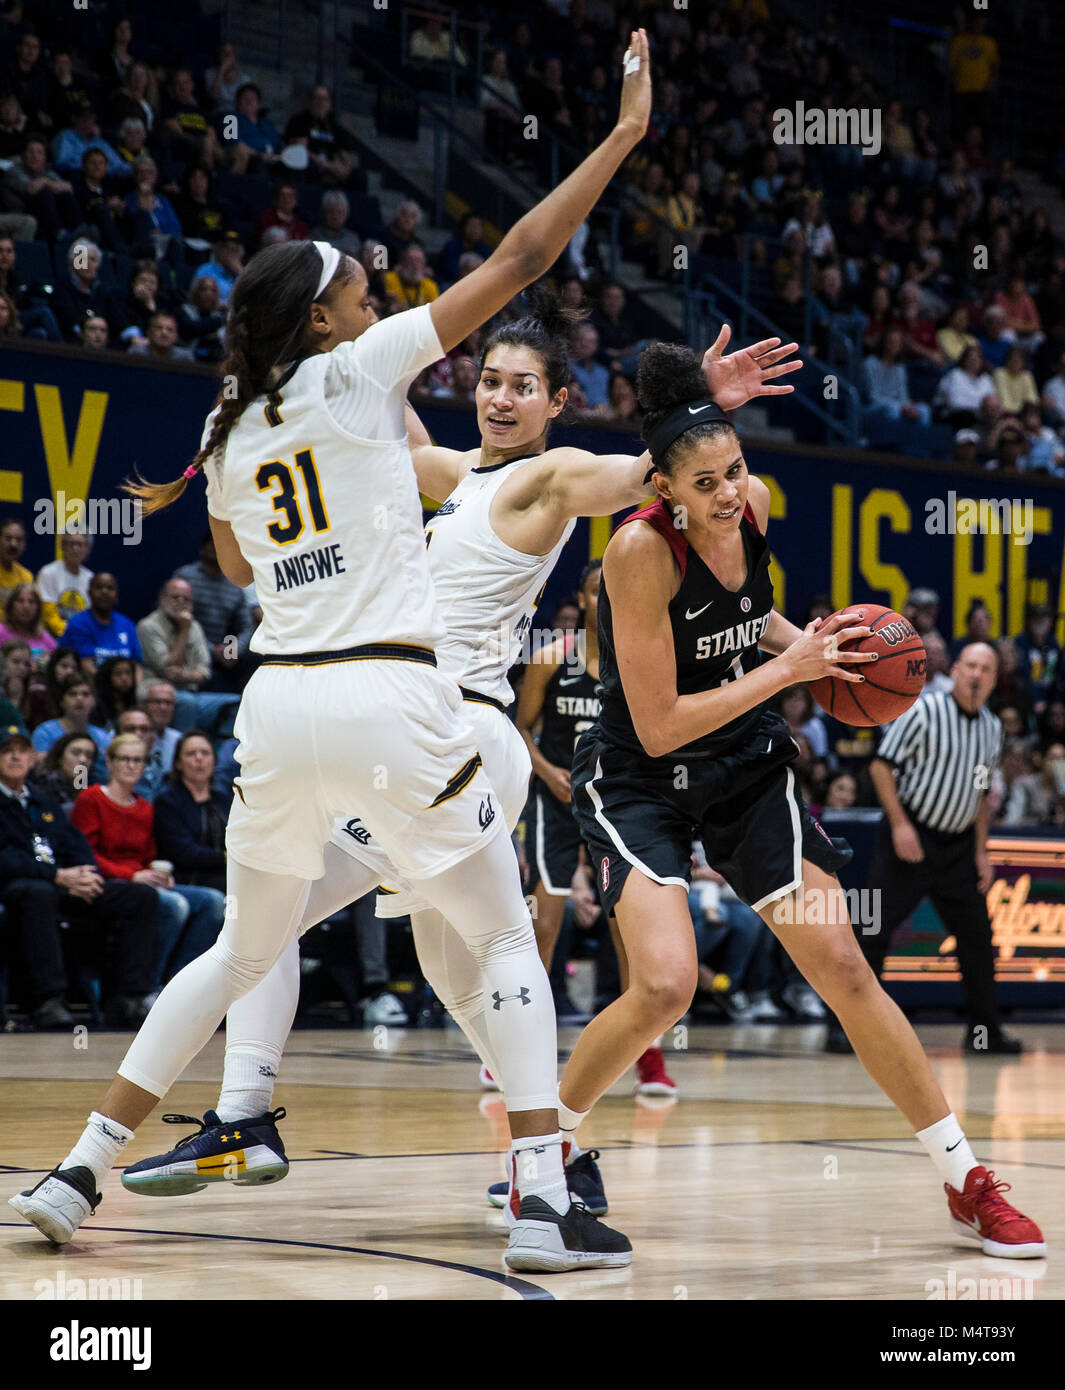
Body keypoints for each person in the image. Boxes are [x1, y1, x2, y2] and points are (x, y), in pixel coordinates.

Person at [12, 30, 655, 1272]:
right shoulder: (360, 370)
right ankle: (537, 1199)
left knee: (243, 949)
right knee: (506, 938)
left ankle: (83, 1163)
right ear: (324, 317)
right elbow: (523, 254)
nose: (382, 295)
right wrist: (622, 136)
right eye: (363, 287)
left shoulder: (231, 418)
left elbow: (241, 568)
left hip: (274, 710)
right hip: (392, 699)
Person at [120, 291, 804, 1212]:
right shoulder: (459, 476)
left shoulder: (547, 476)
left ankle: (239, 1113)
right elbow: (384, 429)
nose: (500, 397)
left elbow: (640, 478)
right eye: (487, 379)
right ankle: (557, 1152)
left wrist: (693, 414)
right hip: (417, 735)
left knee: (270, 919)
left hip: (456, 734)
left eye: (524, 386)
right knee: (458, 979)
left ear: (557, 403)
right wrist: (352, 338)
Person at [528, 341, 1041, 1258]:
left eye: (736, 469)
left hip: (743, 763)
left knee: (843, 965)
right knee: (664, 987)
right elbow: (656, 726)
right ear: (665, 490)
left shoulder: (754, 506)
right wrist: (791, 672)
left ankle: (965, 1179)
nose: (729, 492)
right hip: (642, 771)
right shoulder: (636, 555)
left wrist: (805, 644)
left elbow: (744, 618)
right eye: (706, 481)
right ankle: (546, 1155)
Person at [829, 645, 1021, 1055]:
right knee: (873, 928)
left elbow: (983, 792)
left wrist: (981, 851)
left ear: (994, 679)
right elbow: (881, 765)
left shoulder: (991, 727)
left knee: (977, 941)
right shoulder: (923, 711)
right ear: (954, 669)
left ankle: (984, 1034)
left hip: (958, 847)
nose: (976, 674)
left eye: (986, 669)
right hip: (910, 836)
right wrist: (900, 825)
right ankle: (847, 1027)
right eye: (970, 665)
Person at [0, 726, 157, 1029]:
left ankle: (130, 996)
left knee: (140, 896)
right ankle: (49, 999)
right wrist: (57, 875)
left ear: (33, 759)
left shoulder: (43, 802)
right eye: (7, 751)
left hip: (62, 883)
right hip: (17, 887)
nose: (16, 757)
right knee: (37, 894)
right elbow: (5, 859)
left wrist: (86, 874)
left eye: (21, 751)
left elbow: (76, 843)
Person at [71, 734, 225, 993]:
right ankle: (147, 989)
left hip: (142, 881)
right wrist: (133, 875)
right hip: (107, 883)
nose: (131, 765)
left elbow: (149, 856)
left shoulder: (144, 807)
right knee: (173, 905)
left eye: (138, 760)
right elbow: (85, 856)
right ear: (109, 762)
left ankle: (180, 988)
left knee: (212, 901)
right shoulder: (91, 798)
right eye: (125, 759)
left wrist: (161, 875)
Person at [152, 731, 228, 891]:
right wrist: (227, 858)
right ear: (178, 763)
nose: (199, 758)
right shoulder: (167, 802)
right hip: (187, 879)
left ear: (214, 760)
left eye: (205, 753)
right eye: (191, 753)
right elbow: (184, 853)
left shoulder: (225, 800)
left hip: (225, 874)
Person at [60, 573, 142, 680]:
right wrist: (110, 685)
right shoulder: (78, 624)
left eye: (110, 588)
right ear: (89, 593)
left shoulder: (127, 624)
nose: (104, 591)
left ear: (117, 594)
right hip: (91, 687)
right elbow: (85, 665)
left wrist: (136, 689)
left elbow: (136, 665)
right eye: (99, 587)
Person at [31, 675, 112, 780]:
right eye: (72, 694)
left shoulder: (103, 737)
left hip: (91, 786)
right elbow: (40, 771)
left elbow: (109, 772)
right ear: (62, 701)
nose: (79, 699)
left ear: (93, 701)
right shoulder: (45, 732)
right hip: (53, 788)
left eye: (85, 694)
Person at [29, 729, 98, 816]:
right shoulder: (48, 779)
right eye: (76, 753)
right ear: (60, 758)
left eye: (89, 756)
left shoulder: (88, 785)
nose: (83, 760)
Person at [0, 583, 56, 663]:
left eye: (31, 602)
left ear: (38, 608)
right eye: (20, 601)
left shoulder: (44, 638)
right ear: (11, 605)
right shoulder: (1, 632)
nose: (26, 606)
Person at [0, 517, 32, 606]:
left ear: (24, 545)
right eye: (8, 538)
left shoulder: (26, 577)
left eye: (19, 539)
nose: (13, 544)